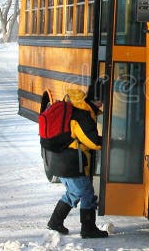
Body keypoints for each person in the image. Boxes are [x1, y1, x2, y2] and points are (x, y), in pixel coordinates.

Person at [46, 81, 109, 239]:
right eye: (103, 101)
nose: (103, 105)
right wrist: (109, 141)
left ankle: (55, 222)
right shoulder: (83, 114)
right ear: (99, 100)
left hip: (59, 159)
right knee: (86, 192)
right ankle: (88, 228)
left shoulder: (78, 109)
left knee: (74, 192)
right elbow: (92, 141)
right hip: (70, 162)